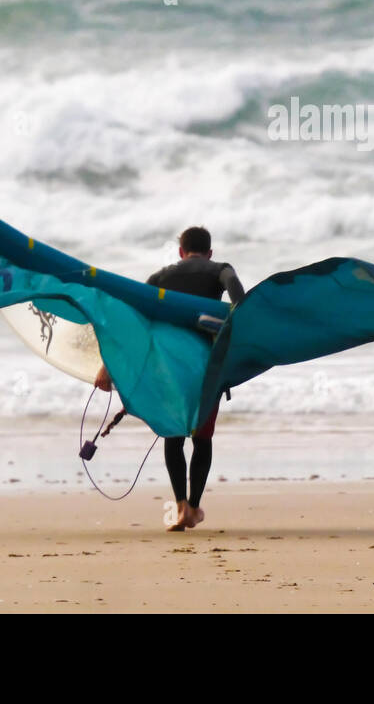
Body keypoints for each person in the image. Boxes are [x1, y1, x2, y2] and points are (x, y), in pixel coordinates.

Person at [96, 226, 243, 531]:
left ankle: (180, 506)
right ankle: (194, 505)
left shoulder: (161, 277)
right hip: (206, 368)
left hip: (171, 368)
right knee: (202, 439)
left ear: (180, 252)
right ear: (210, 252)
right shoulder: (221, 269)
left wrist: (107, 366)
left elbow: (132, 320)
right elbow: (240, 300)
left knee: (174, 435)